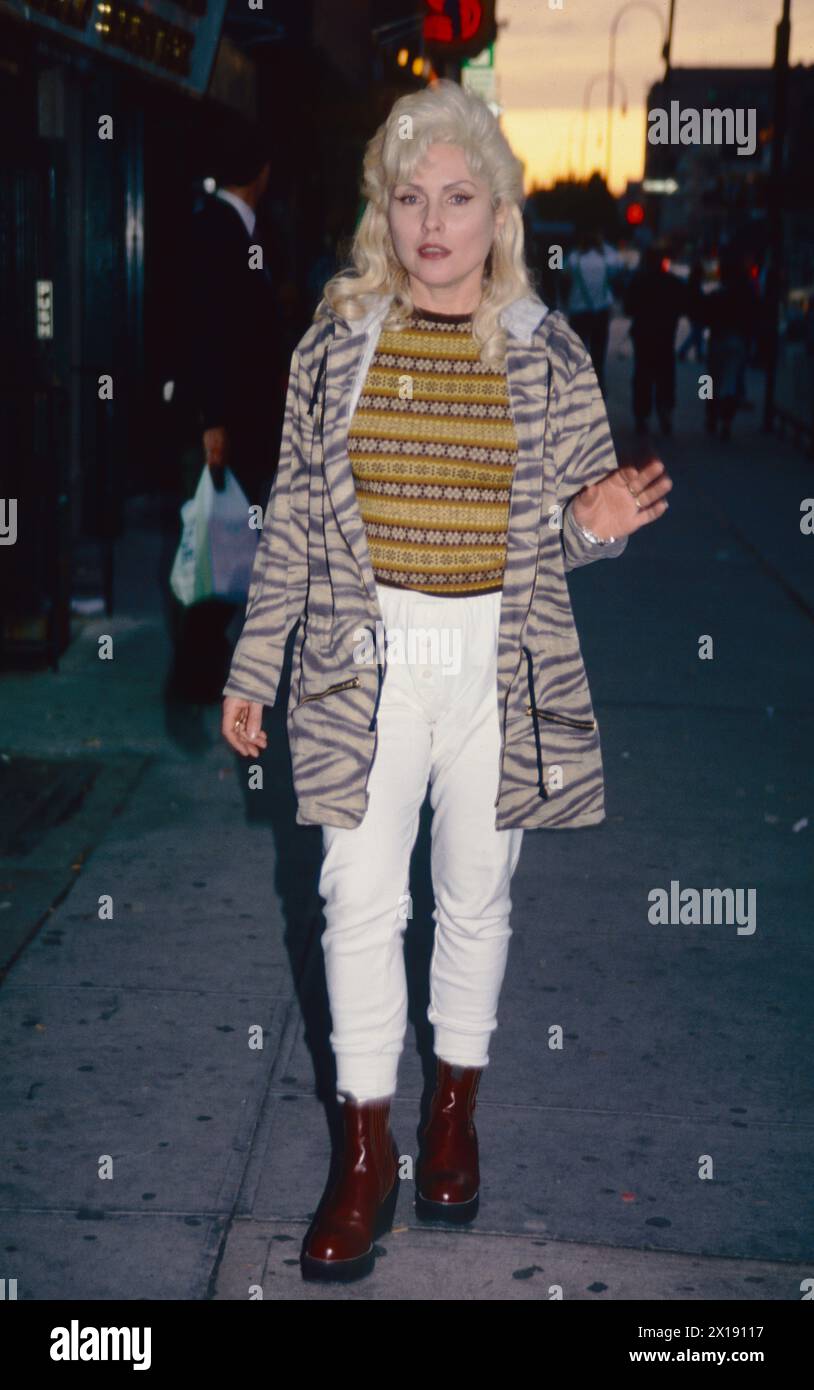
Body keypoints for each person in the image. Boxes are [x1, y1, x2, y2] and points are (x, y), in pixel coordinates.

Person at [220, 80, 672, 1284]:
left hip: (494, 663)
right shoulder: (335, 341)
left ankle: (453, 1113)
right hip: (363, 660)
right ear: (385, 210)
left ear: (496, 213)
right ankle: (362, 1155)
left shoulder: (547, 351)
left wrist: (601, 520)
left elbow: (580, 528)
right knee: (354, 899)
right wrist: (257, 662)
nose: (432, 223)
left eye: (457, 199)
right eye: (410, 197)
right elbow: (299, 525)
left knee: (475, 896)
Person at [169, 132, 280, 705]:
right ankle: (197, 669)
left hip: (240, 420)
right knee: (213, 537)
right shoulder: (217, 229)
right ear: (261, 170)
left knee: (225, 537)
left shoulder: (233, 227)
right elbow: (205, 332)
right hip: (224, 421)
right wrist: (212, 421)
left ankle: (206, 662)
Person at [624, 246, 688, 436]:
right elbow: (684, 306)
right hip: (665, 335)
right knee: (665, 375)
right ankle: (664, 410)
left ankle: (642, 415)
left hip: (643, 335)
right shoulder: (674, 282)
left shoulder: (638, 282)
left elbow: (628, 308)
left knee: (642, 375)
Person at [702, 256, 757, 442]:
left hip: (717, 339)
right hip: (737, 340)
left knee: (709, 379)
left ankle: (711, 414)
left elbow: (705, 315)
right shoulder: (747, 295)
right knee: (730, 382)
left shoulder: (719, 294)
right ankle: (726, 421)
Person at [565, 229, 622, 394]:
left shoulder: (574, 258)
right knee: (599, 353)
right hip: (601, 311)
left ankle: (578, 387)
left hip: (578, 310)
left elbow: (564, 275)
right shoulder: (607, 259)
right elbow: (617, 267)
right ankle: (599, 387)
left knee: (577, 353)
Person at [677, 258, 707, 363]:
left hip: (693, 311)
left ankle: (698, 354)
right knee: (696, 333)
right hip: (696, 312)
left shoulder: (692, 282)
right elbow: (696, 299)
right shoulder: (695, 284)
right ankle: (684, 352)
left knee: (697, 333)